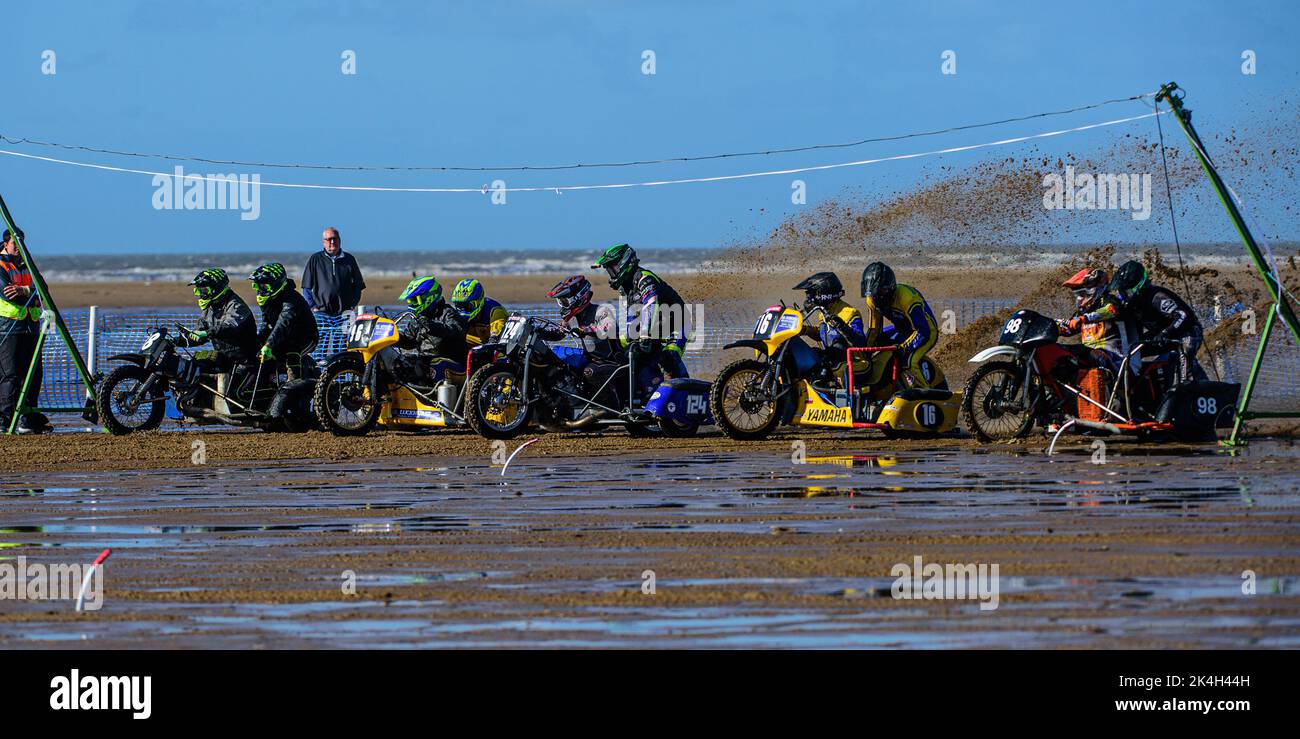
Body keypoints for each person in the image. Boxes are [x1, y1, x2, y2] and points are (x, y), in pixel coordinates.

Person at [591, 243, 690, 381]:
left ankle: (686, 392)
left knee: (670, 357)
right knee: (628, 351)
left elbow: (651, 306)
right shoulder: (626, 287)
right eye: (609, 270)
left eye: (613, 268)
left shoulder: (644, 278)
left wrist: (643, 334)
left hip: (678, 323)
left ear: (625, 262)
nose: (611, 273)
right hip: (656, 326)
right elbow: (630, 316)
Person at [1107, 260, 1208, 384]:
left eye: (1127, 292)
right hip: (1161, 334)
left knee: (1185, 354)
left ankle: (1190, 386)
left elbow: (1183, 315)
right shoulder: (1134, 305)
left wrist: (1166, 333)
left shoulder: (1157, 297)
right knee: (1135, 352)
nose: (1123, 296)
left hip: (1187, 332)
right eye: (1122, 292)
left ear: (1138, 286)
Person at [860, 262, 940, 389]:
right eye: (873, 294)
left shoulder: (907, 299)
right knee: (870, 345)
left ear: (889, 288)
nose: (876, 298)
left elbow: (923, 331)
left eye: (880, 293)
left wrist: (903, 348)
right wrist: (863, 353)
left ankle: (927, 393)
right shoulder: (871, 299)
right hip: (902, 330)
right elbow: (874, 331)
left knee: (908, 362)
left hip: (926, 332)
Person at [0, 228, 48, 434]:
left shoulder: (26, 263)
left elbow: (43, 290)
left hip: (31, 325)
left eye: (21, 245)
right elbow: (9, 294)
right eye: (14, 245)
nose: (19, 249)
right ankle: (4, 418)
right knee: (10, 374)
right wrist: (29, 293)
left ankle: (28, 417)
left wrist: (26, 290)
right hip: (8, 327)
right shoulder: (1, 265)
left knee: (34, 373)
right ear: (5, 244)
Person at [1054, 268, 1139, 376]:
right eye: (1077, 295)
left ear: (1096, 289)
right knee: (1062, 354)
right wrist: (1052, 325)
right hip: (1098, 362)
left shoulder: (1111, 301)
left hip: (1123, 363)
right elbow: (1069, 327)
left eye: (1082, 293)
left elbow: (1111, 310)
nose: (1079, 299)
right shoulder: (1082, 314)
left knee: (1090, 353)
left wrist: (1085, 319)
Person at [175, 268, 259, 371]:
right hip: (224, 358)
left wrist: (207, 333)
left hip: (244, 361)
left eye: (204, 290)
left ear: (217, 288)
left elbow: (230, 327)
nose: (200, 294)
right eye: (198, 290)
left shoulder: (235, 305)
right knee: (192, 367)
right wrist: (176, 340)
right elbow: (198, 336)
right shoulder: (210, 308)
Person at [792, 271, 869, 383]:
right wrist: (804, 330)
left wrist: (841, 326)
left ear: (824, 294)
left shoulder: (850, 313)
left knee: (829, 370)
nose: (808, 298)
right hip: (832, 357)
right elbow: (824, 334)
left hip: (855, 361)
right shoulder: (823, 311)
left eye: (812, 294)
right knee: (807, 358)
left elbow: (861, 343)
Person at [394, 275, 470, 384]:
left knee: (436, 364)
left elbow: (456, 331)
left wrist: (430, 326)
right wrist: (391, 337)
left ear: (429, 297)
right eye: (411, 301)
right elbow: (408, 341)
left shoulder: (448, 312)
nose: (412, 304)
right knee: (401, 363)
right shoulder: (418, 318)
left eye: (415, 300)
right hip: (426, 361)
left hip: (455, 365)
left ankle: (442, 399)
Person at [249, 263, 319, 377]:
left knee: (292, 354)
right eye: (257, 286)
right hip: (285, 337)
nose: (260, 290)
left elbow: (283, 324)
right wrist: (260, 341)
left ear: (277, 284)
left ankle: (294, 384)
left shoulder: (291, 300)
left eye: (264, 287)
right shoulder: (268, 298)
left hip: (305, 337)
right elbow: (266, 322)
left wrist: (269, 344)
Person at [542, 274, 620, 372]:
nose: (563, 305)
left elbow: (608, 328)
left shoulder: (602, 310)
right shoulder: (571, 318)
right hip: (587, 358)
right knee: (556, 363)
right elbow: (559, 333)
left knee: (588, 372)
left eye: (565, 301)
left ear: (580, 297)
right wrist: (540, 332)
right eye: (561, 302)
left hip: (608, 360)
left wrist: (585, 330)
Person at [302, 227, 366, 316]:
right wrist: (313, 306)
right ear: (323, 242)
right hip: (321, 312)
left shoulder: (349, 259)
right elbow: (306, 287)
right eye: (329, 239)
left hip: (344, 313)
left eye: (334, 238)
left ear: (339, 240)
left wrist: (351, 306)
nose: (332, 242)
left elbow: (358, 286)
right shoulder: (315, 259)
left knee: (344, 331)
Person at [449, 279, 508, 346]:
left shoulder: (496, 311)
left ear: (479, 301)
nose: (462, 310)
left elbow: (495, 338)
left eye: (467, 306)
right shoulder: (454, 315)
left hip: (496, 346)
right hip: (473, 344)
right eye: (459, 306)